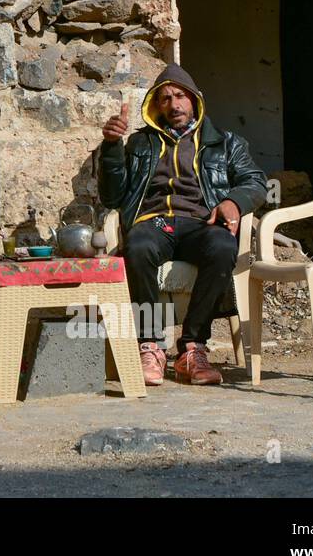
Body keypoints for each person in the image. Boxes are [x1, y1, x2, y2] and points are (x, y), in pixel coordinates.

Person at [97, 64, 266, 386]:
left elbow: (255, 181)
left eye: (180, 96)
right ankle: (150, 346)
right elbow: (112, 197)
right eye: (165, 99)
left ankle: (192, 348)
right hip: (154, 222)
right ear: (155, 106)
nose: (174, 105)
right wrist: (111, 148)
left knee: (222, 246)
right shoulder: (140, 144)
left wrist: (235, 201)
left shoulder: (226, 143)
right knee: (138, 245)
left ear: (195, 100)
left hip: (201, 223)